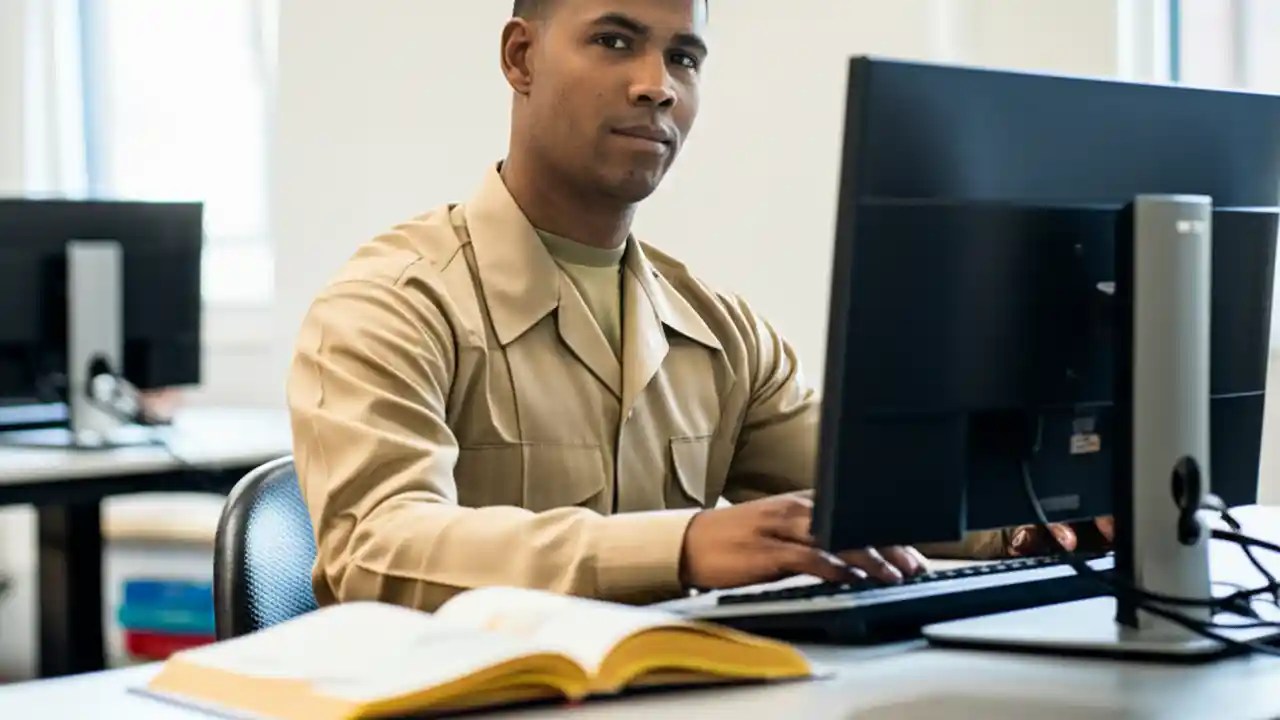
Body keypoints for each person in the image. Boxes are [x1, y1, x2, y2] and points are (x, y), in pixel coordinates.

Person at [287, 0, 1111, 612]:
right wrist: (683, 543)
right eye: (614, 41)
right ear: (520, 56)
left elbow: (868, 486)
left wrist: (1033, 517)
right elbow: (377, 548)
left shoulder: (719, 331)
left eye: (684, 58)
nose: (656, 87)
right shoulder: (392, 304)